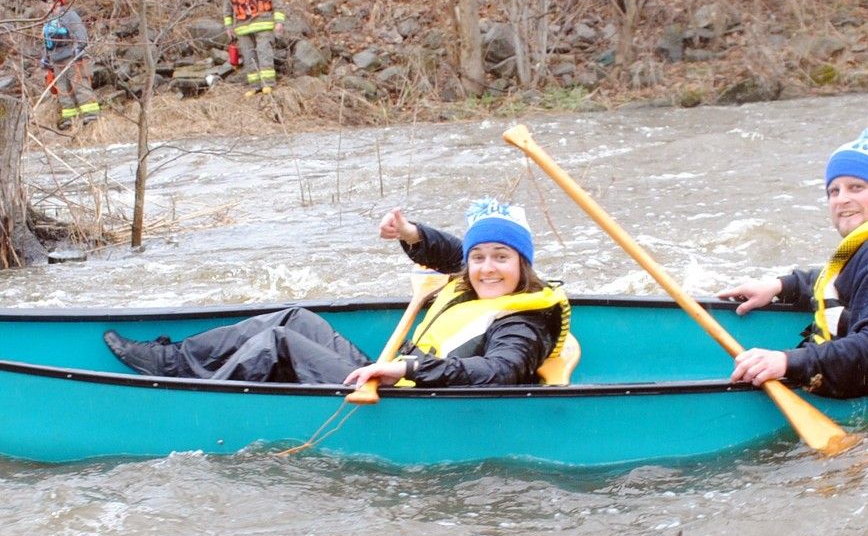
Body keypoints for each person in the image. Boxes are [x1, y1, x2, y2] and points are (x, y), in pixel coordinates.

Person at [103, 199, 571, 388]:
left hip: (409, 392)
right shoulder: (474, 278)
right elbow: (453, 251)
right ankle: (174, 362)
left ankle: (198, 395)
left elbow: (497, 371)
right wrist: (410, 232)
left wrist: (406, 367)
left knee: (277, 343)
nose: (487, 268)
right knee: (293, 317)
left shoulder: (522, 323)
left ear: (521, 264)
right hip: (398, 375)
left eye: (501, 258)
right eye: (480, 257)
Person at [717, 127, 868, 399]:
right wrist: (780, 286)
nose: (841, 199)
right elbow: (840, 282)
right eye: (833, 191)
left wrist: (788, 362)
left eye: (856, 187)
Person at [223, 0, 286, 96]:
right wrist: (228, 25)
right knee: (248, 55)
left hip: (263, 22)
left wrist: (279, 21)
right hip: (242, 27)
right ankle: (255, 86)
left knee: (264, 52)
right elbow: (227, 5)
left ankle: (268, 85)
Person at [38, 0, 100, 130]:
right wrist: (45, 59)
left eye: (49, 1)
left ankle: (91, 116)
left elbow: (80, 32)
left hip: (72, 58)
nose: (47, 5)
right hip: (56, 61)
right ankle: (70, 119)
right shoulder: (48, 20)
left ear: (58, 2)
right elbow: (46, 42)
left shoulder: (69, 16)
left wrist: (80, 47)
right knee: (62, 90)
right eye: (46, 2)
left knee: (79, 86)